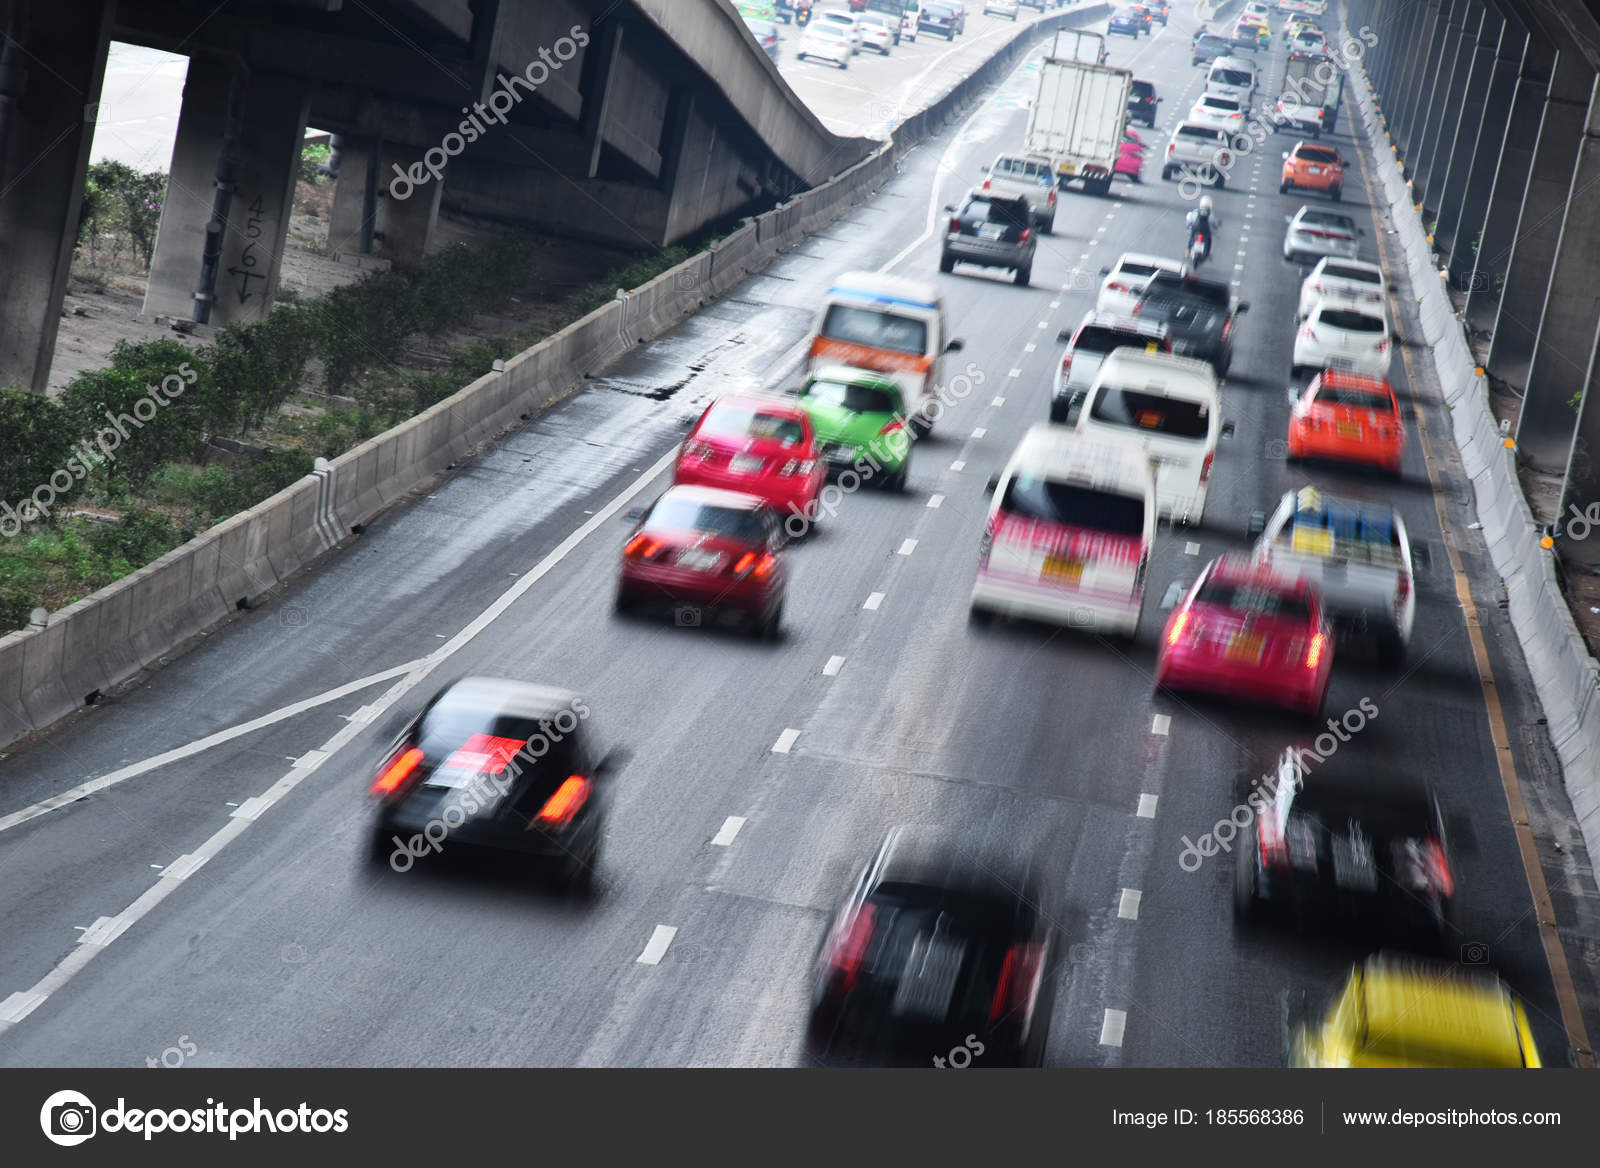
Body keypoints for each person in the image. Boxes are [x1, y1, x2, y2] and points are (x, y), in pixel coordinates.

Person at [1186, 196, 1218, 260]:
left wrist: (1188, 226)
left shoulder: (1196, 212)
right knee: (1209, 240)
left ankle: (1188, 251)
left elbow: (1190, 221)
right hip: (1206, 232)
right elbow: (1214, 225)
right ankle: (1208, 253)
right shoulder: (1211, 215)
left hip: (1195, 229)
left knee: (1192, 238)